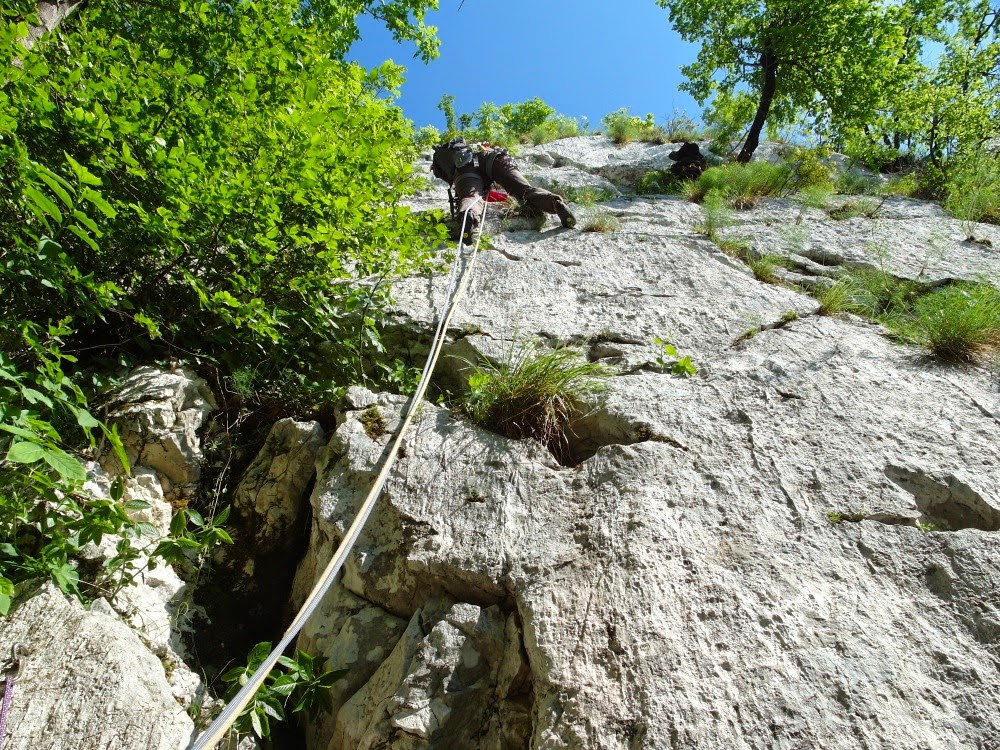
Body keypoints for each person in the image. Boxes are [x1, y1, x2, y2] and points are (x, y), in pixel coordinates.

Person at [431, 138, 576, 240]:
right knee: (524, 190)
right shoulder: (480, 147)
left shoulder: (445, 161)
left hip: (464, 167)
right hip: (495, 158)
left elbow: (458, 183)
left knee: (471, 198)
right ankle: (554, 203)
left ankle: (468, 214)